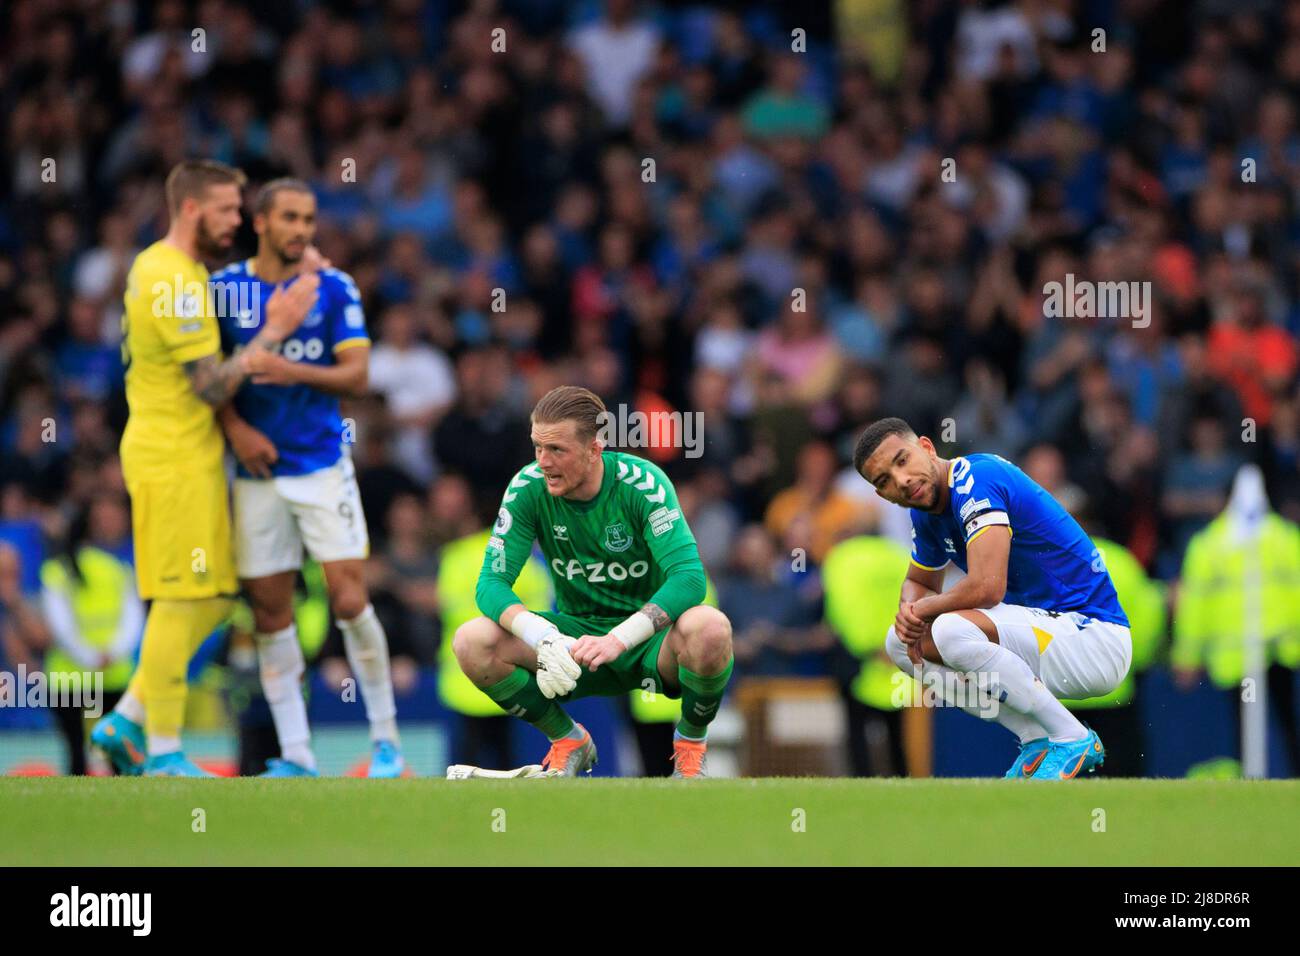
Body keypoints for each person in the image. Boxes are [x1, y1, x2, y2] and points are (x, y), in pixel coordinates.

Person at [91, 160, 319, 777]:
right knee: (178, 595)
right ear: (191, 209)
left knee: (217, 598)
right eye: (226, 208)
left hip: (191, 456)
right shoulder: (168, 276)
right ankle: (162, 750)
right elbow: (211, 386)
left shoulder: (183, 272)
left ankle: (130, 714)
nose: (237, 219)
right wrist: (273, 332)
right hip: (170, 457)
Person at [212, 178, 404, 778]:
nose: (302, 229)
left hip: (322, 464)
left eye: (309, 219)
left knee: (349, 599)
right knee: (271, 614)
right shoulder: (222, 290)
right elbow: (202, 379)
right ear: (261, 221)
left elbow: (356, 376)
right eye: (290, 218)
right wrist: (235, 428)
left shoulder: (332, 286)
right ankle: (296, 753)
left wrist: (281, 366)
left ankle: (386, 741)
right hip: (256, 472)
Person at [453, 386, 732, 777]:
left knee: (710, 627)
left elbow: (689, 579)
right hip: (575, 642)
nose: (543, 462)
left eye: (556, 450)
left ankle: (689, 749)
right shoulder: (527, 488)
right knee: (471, 641)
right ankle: (568, 739)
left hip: (650, 642)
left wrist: (619, 639)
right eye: (537, 447)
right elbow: (491, 585)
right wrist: (543, 637)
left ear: (594, 448)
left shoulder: (643, 484)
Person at [855, 417, 1132, 780]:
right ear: (881, 495)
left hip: (1095, 639)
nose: (901, 481)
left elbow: (988, 587)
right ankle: (1035, 739)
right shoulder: (925, 515)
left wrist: (921, 608)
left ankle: (1072, 736)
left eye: (902, 460)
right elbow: (919, 581)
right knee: (899, 645)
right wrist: (909, 612)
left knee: (954, 631)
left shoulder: (976, 478)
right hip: (1046, 639)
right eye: (885, 480)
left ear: (926, 446)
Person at [41, 494, 143, 774]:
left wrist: (87, 656)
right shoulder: (116, 568)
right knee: (117, 757)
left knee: (75, 756)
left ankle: (76, 815)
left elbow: (59, 626)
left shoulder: (55, 571)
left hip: (68, 678)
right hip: (113, 674)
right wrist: (111, 653)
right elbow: (133, 619)